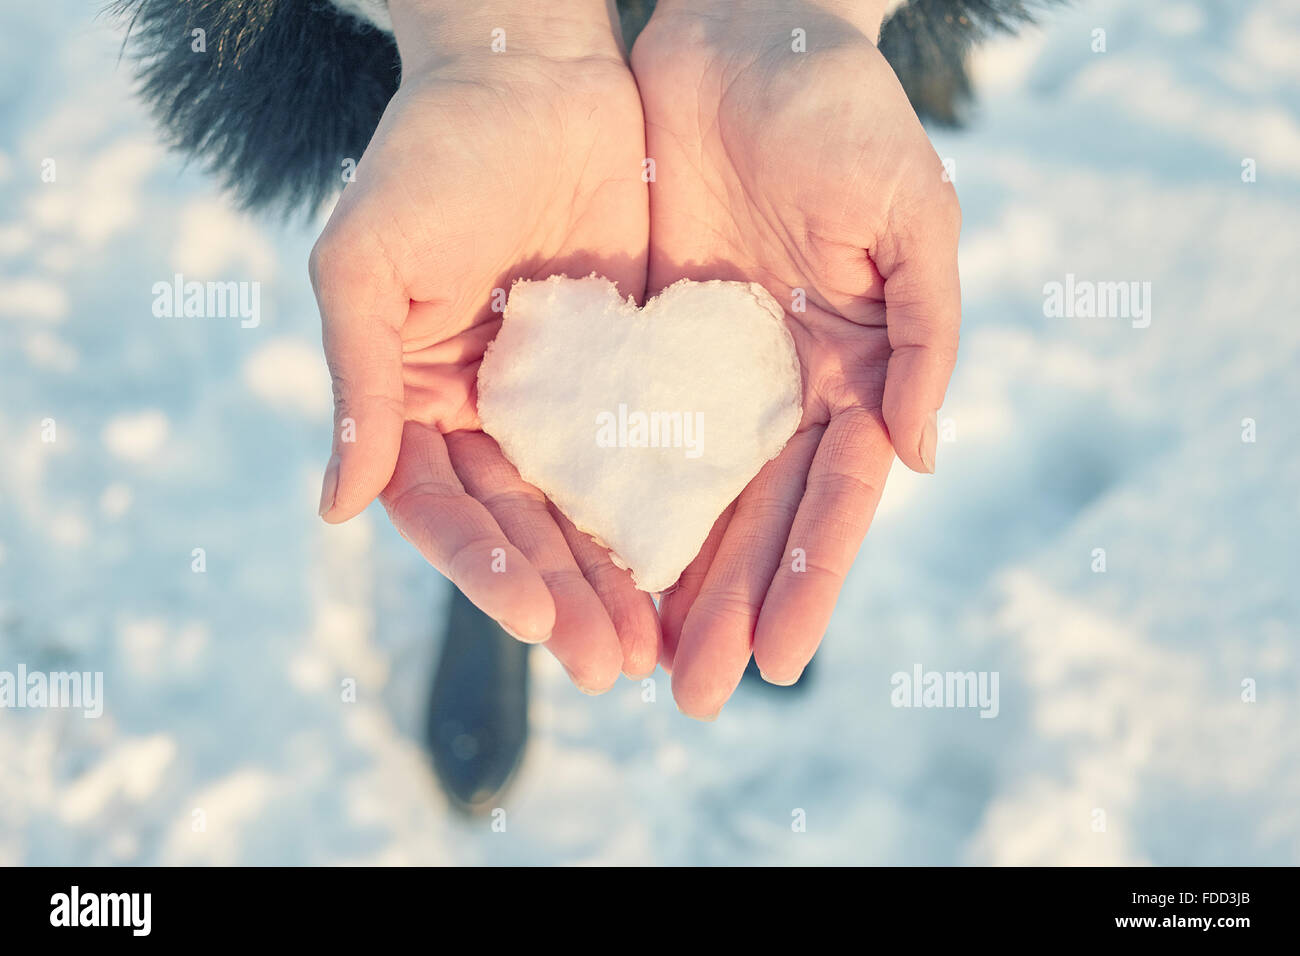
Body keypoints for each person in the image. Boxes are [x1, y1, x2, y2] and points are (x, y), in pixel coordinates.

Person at [118, 0, 1058, 809]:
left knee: (827, 371)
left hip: (764, 111)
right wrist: (486, 38)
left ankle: (754, 548)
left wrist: (801, 16)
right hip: (450, 65)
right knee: (459, 363)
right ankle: (500, 607)